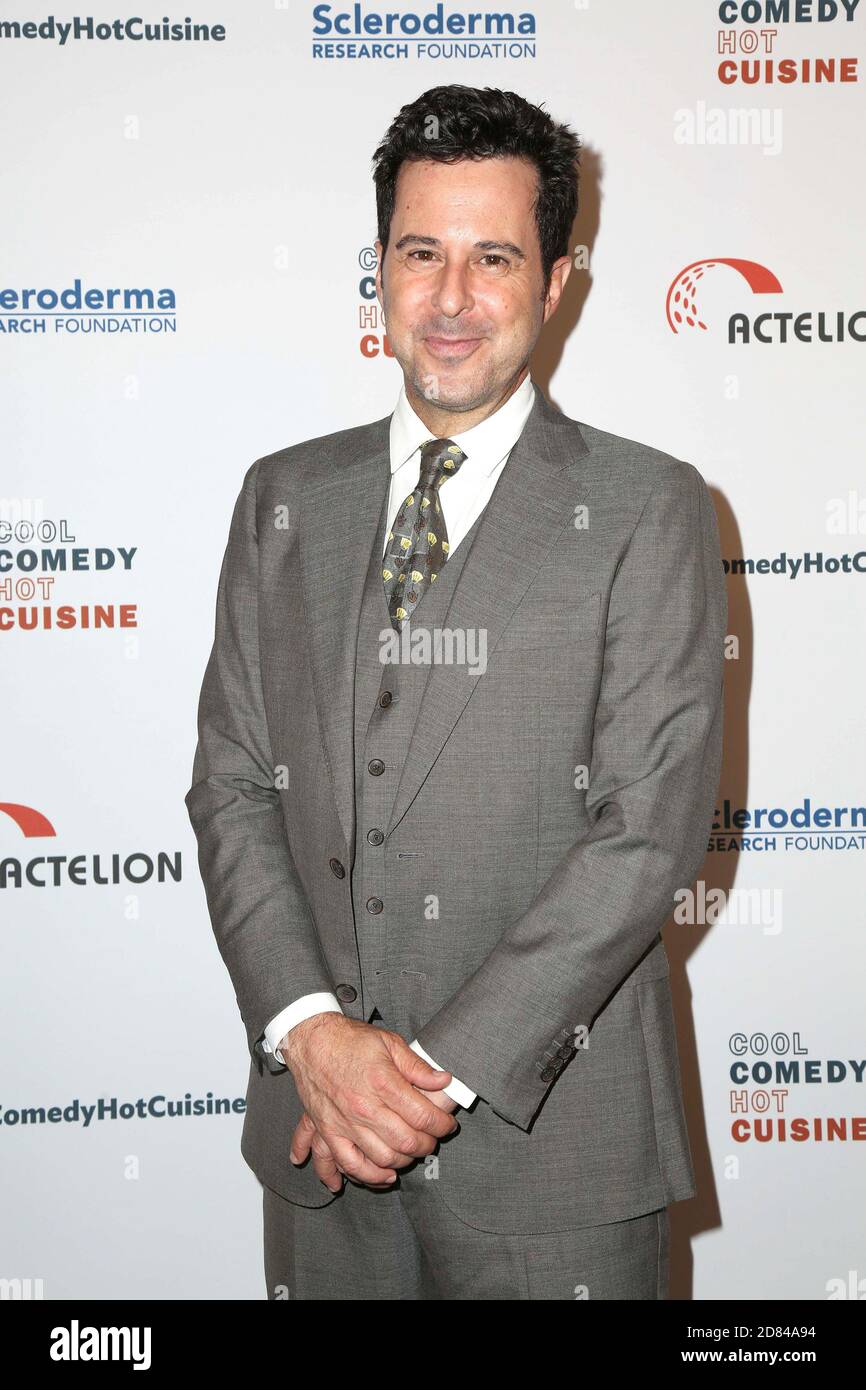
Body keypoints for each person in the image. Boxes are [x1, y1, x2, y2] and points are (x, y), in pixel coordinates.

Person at [185, 84, 726, 1300]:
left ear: (555, 280)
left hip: (558, 1170)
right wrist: (312, 1037)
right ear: (376, 267)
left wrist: (419, 1078)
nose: (448, 298)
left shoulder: (645, 507)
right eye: (419, 252)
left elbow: (643, 831)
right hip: (320, 1150)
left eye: (493, 257)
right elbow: (230, 786)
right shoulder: (282, 499)